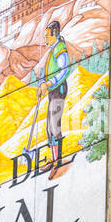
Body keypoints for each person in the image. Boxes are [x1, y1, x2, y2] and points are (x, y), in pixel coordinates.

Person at [39, 20, 72, 177]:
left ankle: (57, 162)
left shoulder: (60, 50)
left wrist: (50, 83)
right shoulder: (52, 51)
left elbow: (64, 70)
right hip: (52, 91)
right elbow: (45, 73)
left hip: (58, 90)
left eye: (47, 36)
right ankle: (53, 159)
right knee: (49, 128)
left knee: (54, 126)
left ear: (55, 34)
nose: (46, 40)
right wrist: (42, 84)